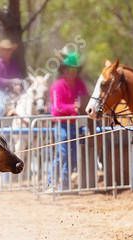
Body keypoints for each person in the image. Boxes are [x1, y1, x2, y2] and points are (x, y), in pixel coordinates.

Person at [48, 52, 86, 191]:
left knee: (73, 157)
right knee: (61, 155)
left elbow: (85, 98)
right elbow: (57, 108)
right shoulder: (57, 86)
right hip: (61, 125)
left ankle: (65, 185)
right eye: (70, 69)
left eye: (75, 69)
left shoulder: (79, 84)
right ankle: (51, 183)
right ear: (64, 70)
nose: (73, 72)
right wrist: (74, 107)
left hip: (75, 125)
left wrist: (79, 105)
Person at [0, 39, 25, 125]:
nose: (8, 52)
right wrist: (11, 82)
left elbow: (17, 77)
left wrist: (17, 85)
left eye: (9, 50)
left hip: (11, 92)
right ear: (1, 51)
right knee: (0, 107)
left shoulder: (13, 64)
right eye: (5, 50)